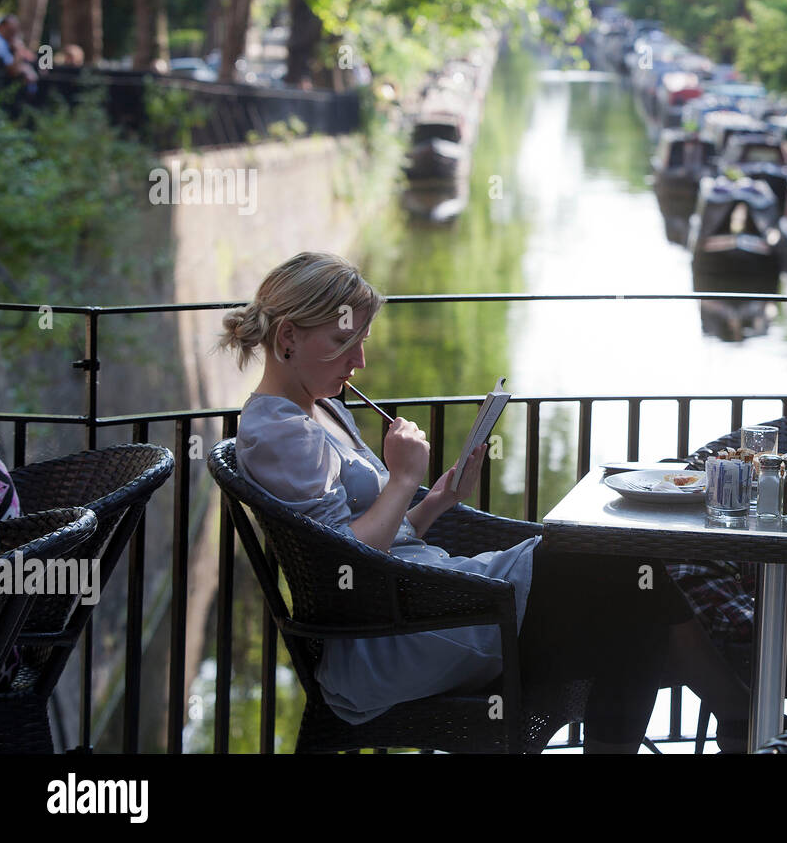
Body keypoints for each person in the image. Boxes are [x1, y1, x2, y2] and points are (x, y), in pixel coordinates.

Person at [218, 252, 753, 752]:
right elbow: (341, 564)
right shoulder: (278, 432)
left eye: (363, 340)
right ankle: (738, 712)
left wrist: (437, 501)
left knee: (632, 599)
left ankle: (735, 711)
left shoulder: (322, 411)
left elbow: (376, 539)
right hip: (395, 635)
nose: (359, 360)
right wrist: (404, 479)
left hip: (430, 601)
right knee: (622, 575)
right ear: (288, 336)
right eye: (345, 341)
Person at [0, 15, 38, 94]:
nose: (14, 33)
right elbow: (12, 69)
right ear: (2, 27)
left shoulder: (7, 42)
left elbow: (31, 58)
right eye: (11, 30)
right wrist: (18, 51)